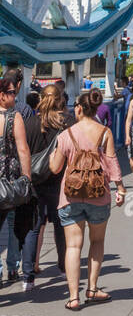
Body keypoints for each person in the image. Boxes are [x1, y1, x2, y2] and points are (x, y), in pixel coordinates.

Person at [48, 89, 125, 310]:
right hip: (98, 196)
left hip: (70, 197)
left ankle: (73, 297)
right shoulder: (105, 132)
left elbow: (55, 168)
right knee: (97, 241)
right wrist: (120, 188)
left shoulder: (66, 135)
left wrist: (56, 151)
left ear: (79, 109)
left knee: (73, 246)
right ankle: (92, 288)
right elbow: (112, 162)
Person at [20, 84, 71, 293]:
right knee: (61, 226)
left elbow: (22, 151)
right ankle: (62, 267)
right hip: (59, 182)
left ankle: (28, 277)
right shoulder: (66, 123)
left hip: (33, 182)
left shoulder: (29, 123)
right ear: (60, 100)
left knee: (33, 228)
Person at [0, 74, 33, 284]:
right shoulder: (14, 117)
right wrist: (27, 178)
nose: (15, 96)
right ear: (2, 95)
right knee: (11, 223)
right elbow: (23, 149)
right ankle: (12, 266)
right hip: (8, 184)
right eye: (12, 92)